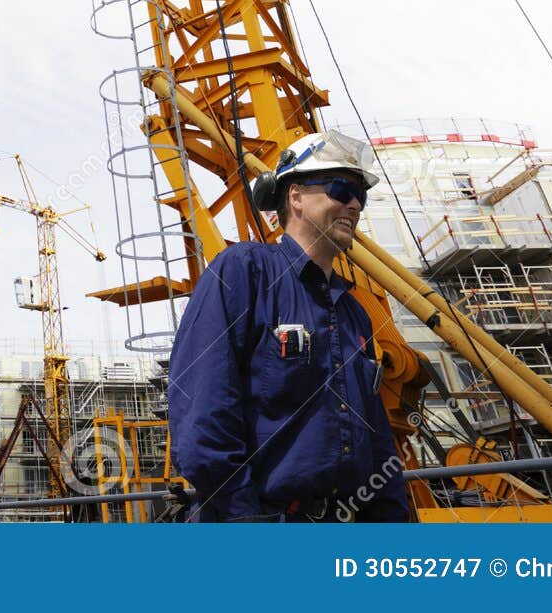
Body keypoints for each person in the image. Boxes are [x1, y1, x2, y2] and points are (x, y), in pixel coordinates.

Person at [168, 129, 408, 522]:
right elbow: (203, 416)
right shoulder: (244, 272)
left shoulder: (353, 313)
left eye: (360, 195)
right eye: (340, 189)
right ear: (295, 196)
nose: (354, 205)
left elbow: (377, 438)